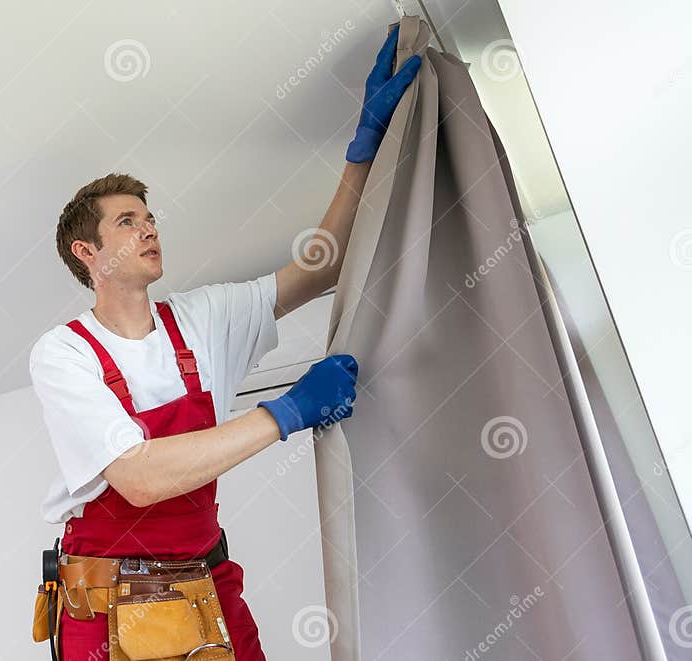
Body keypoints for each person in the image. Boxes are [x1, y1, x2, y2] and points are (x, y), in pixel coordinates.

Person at [29, 24, 420, 661]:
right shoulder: (64, 352)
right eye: (127, 222)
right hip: (110, 608)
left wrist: (364, 153)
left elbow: (321, 267)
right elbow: (139, 478)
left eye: (150, 218)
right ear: (86, 251)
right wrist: (285, 412)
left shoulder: (201, 318)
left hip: (208, 586)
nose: (149, 229)